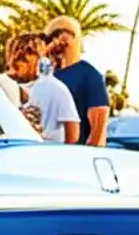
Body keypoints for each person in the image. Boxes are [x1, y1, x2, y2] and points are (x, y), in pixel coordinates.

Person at [45, 16, 109, 146]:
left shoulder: (90, 75)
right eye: (54, 35)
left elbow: (99, 120)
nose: (60, 40)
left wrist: (91, 153)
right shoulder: (44, 75)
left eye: (67, 34)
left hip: (75, 155)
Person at [6, 32, 79, 143]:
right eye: (14, 59)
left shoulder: (56, 89)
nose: (17, 63)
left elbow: (72, 134)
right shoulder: (5, 86)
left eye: (24, 59)